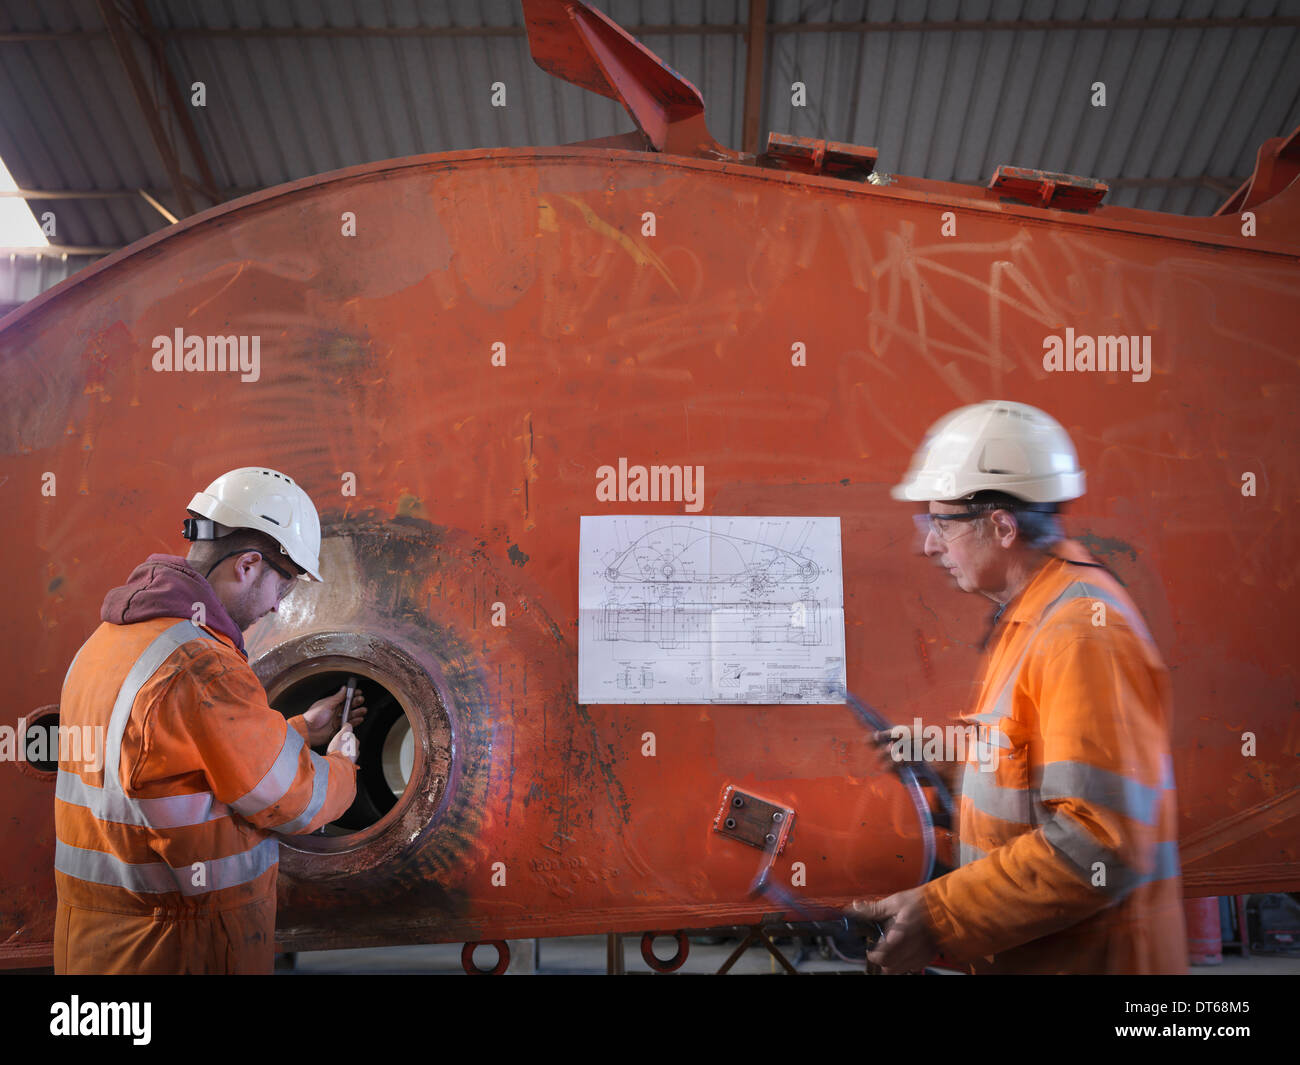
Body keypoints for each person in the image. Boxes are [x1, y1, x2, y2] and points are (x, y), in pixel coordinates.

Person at [854, 401, 1187, 974]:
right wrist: (947, 766)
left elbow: (1097, 842)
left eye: (941, 523)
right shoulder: (1030, 617)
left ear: (1002, 525)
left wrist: (939, 915)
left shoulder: (1080, 633)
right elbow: (1036, 773)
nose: (928, 545)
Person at [54, 467, 365, 974]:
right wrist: (342, 765)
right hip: (179, 948)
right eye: (283, 587)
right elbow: (297, 803)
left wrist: (304, 728)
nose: (275, 607)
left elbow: (178, 768)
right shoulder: (203, 665)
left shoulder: (111, 643)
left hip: (97, 945)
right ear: (248, 564)